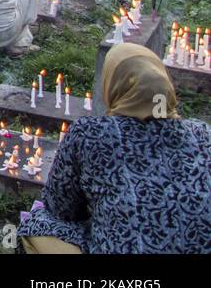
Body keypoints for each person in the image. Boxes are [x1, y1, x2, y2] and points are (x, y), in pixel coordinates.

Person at [17, 42, 211, 254]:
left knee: (36, 226)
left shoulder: (90, 133)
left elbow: (60, 207)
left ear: (112, 84)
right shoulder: (202, 133)